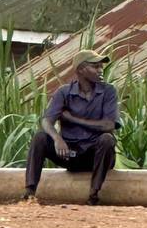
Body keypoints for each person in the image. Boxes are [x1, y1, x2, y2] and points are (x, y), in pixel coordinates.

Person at [23, 50, 117, 206]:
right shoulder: (64, 92)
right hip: (69, 154)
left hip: (95, 156)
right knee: (40, 138)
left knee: (107, 139)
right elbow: (47, 121)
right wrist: (57, 139)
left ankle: (93, 195)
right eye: (96, 67)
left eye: (101, 67)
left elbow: (109, 125)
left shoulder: (108, 91)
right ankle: (29, 192)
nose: (101, 70)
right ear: (80, 70)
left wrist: (74, 119)